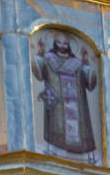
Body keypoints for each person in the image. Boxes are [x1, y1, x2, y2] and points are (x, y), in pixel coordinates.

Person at [32, 32, 99, 163]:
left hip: (77, 103)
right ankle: (52, 150)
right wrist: (40, 53)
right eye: (59, 43)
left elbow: (90, 82)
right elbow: (39, 73)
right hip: (58, 101)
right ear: (55, 44)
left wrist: (85, 62)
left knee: (80, 127)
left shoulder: (77, 63)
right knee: (57, 124)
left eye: (65, 43)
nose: (62, 46)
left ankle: (87, 157)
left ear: (69, 46)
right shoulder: (49, 58)